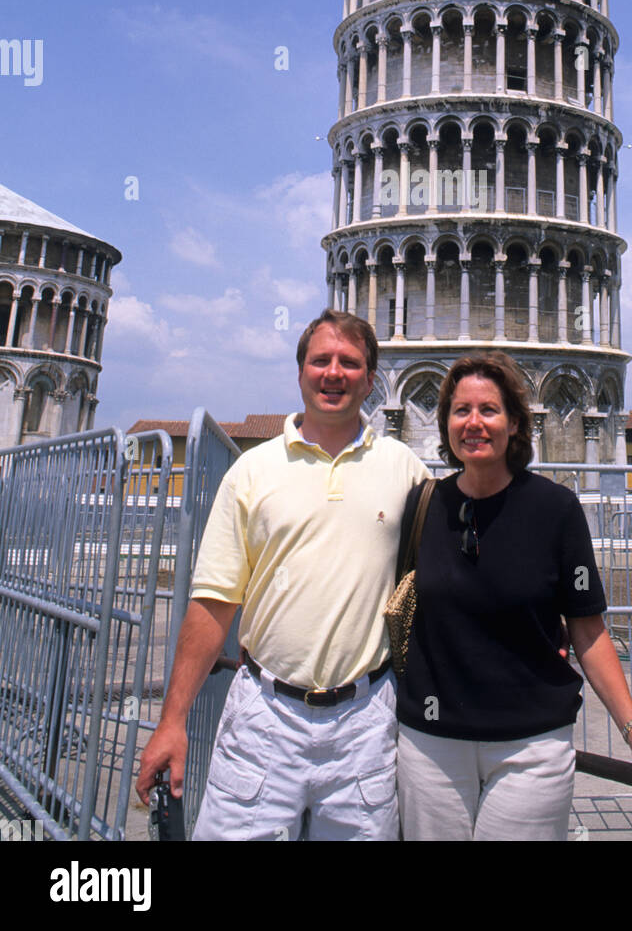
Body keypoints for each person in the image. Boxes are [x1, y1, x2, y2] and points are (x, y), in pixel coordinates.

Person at [136, 309, 429, 841]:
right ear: (300, 373)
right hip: (264, 715)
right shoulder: (253, 470)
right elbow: (214, 601)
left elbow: (449, 580)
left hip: (365, 720)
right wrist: (172, 720)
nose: (333, 373)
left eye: (349, 363)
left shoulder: (405, 469)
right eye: (321, 361)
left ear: (370, 379)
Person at [396, 350, 632, 841]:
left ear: (515, 422)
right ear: (444, 422)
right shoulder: (423, 505)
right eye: (460, 410)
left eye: (489, 410)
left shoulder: (555, 510)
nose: (474, 423)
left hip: (530, 746)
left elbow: (588, 632)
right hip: (431, 742)